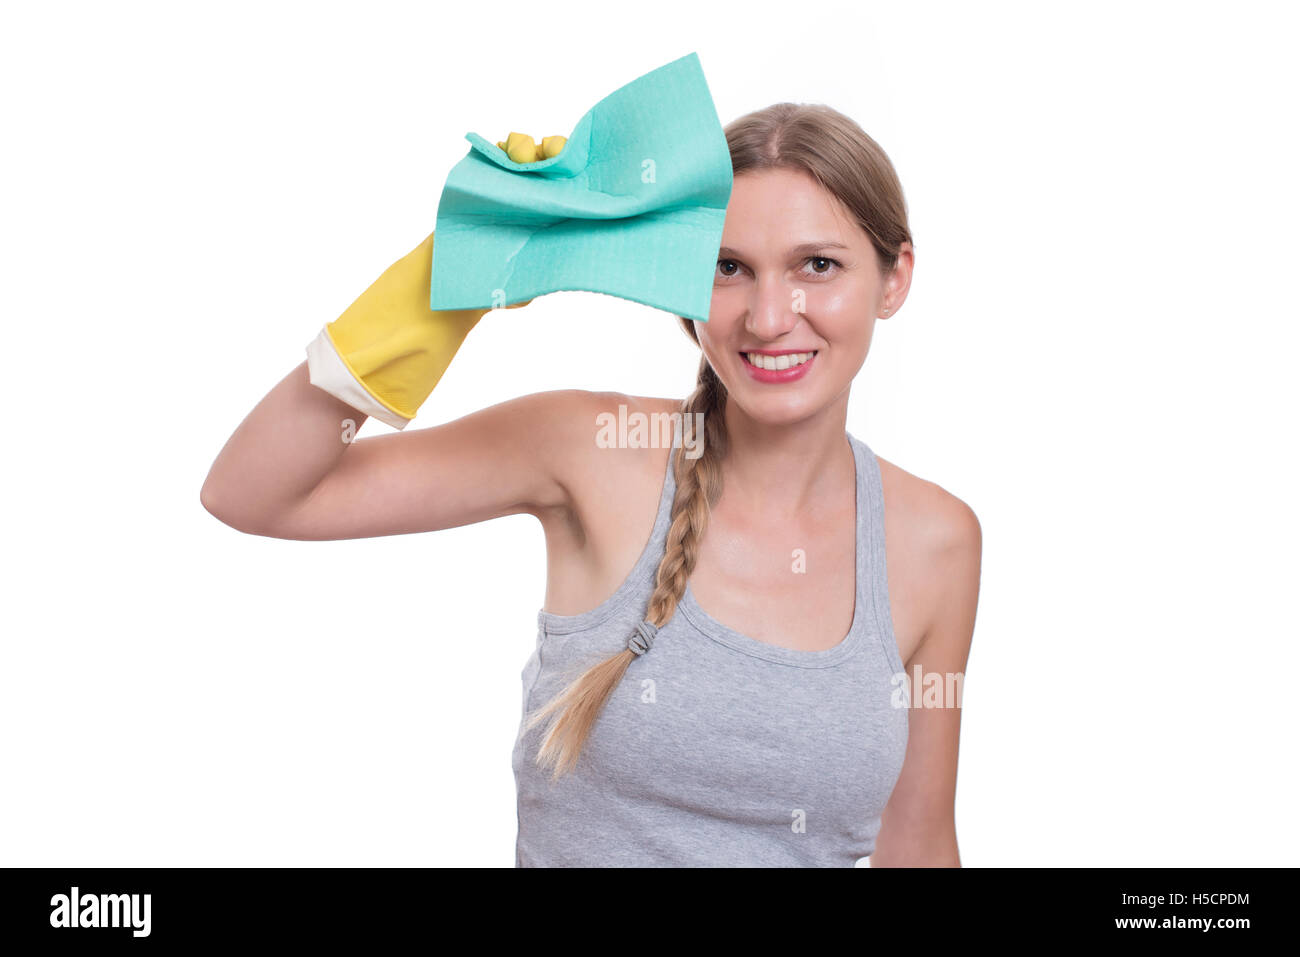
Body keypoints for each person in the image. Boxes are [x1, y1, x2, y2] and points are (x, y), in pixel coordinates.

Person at [200, 102, 982, 867]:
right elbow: (257, 491)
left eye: (818, 265)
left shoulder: (935, 541)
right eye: (727, 267)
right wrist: (449, 278)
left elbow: (918, 847)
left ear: (893, 277)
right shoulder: (585, 452)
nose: (770, 316)